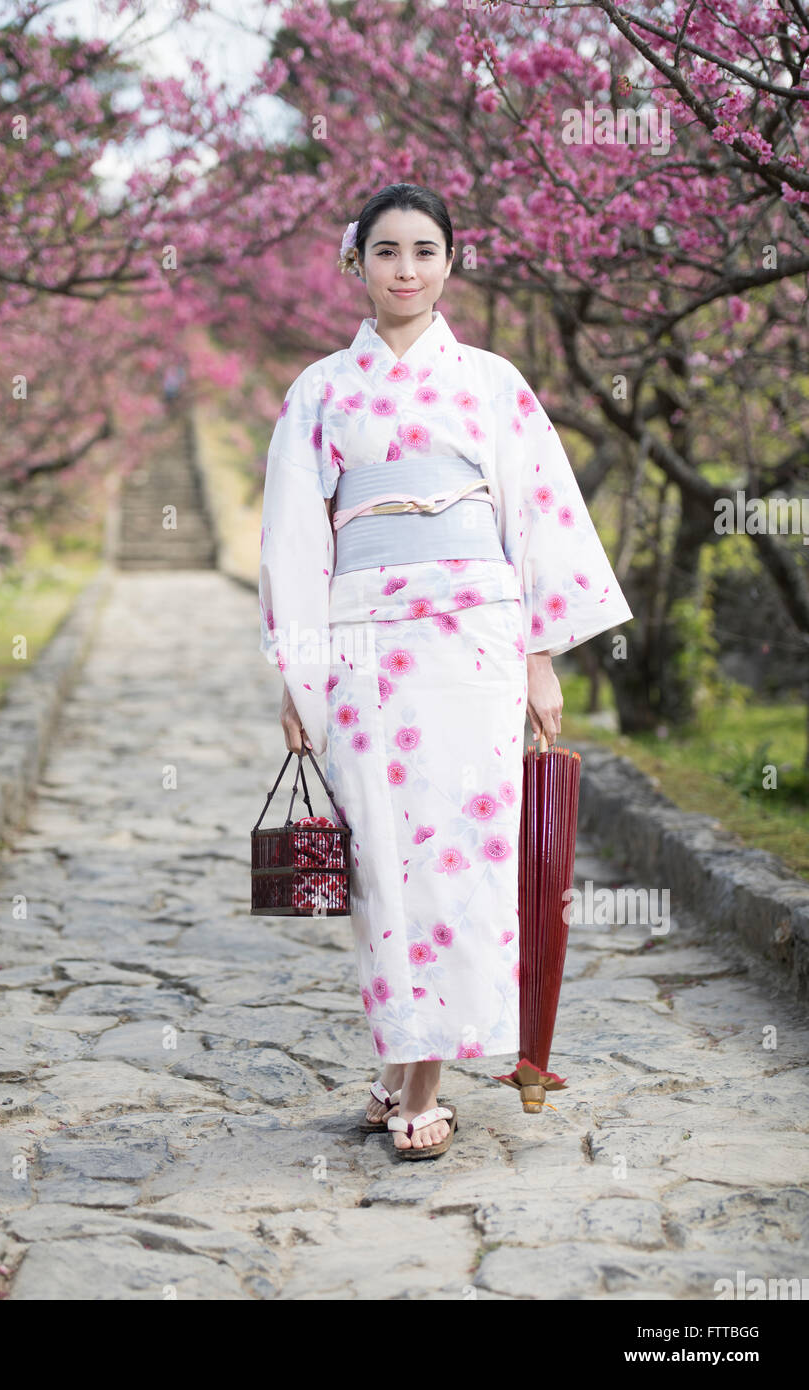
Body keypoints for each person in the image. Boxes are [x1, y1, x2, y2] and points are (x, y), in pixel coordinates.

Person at [258, 183, 633, 1158]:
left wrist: (540, 657)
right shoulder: (320, 393)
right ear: (358, 263)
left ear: (450, 263)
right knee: (384, 864)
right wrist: (296, 677)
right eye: (387, 250)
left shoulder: (492, 382)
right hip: (365, 646)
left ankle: (423, 1074)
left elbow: (534, 517)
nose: (407, 268)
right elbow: (295, 543)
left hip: (476, 641)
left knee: (464, 859)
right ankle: (400, 1057)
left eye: (426, 249)